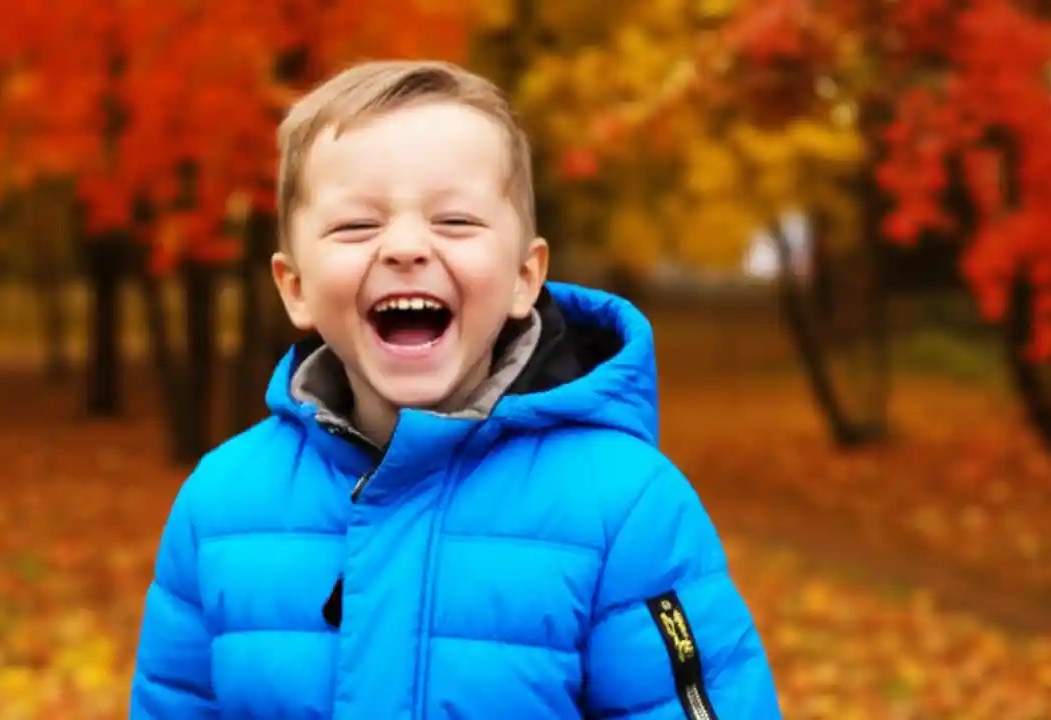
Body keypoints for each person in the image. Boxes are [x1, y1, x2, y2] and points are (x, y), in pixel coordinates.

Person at [130, 58, 782, 719]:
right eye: (357, 225)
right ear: (294, 287)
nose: (406, 246)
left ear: (525, 278)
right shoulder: (220, 504)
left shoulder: (624, 505)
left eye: (455, 222)